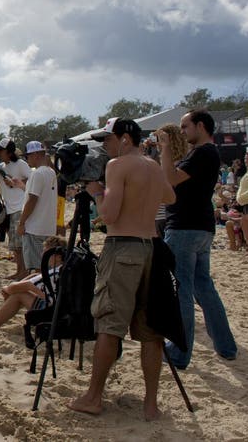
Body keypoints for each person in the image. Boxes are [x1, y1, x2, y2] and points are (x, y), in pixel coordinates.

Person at [69, 117, 176, 421]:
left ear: (125, 138)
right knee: (151, 329)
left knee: (109, 324)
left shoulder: (117, 166)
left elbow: (109, 214)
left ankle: (93, 397)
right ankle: (151, 405)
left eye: (108, 139)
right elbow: (170, 197)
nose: (105, 146)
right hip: (152, 247)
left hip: (123, 246)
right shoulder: (152, 165)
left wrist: (97, 192)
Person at [158, 109, 237, 369]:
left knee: (181, 290)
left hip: (184, 228)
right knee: (204, 288)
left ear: (200, 126)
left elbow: (170, 179)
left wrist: (165, 148)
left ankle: (179, 353)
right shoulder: (207, 153)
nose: (182, 132)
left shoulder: (202, 153)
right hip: (200, 227)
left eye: (185, 126)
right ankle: (226, 346)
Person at [0, 236, 64, 328]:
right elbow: (33, 281)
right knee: (33, 277)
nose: (43, 254)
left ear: (58, 257)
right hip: (63, 308)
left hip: (54, 314)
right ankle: (1, 312)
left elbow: (14, 288)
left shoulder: (53, 274)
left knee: (18, 294)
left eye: (46, 252)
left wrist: (6, 288)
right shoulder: (64, 268)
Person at [17, 141, 58, 274]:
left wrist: (21, 223)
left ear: (35, 154)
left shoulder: (37, 173)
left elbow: (32, 200)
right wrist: (21, 186)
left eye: (27, 156)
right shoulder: (51, 172)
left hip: (34, 228)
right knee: (47, 266)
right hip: (48, 226)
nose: (26, 159)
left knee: (37, 268)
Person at [0, 138, 31, 280]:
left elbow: (32, 179)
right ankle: (19, 271)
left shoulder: (20, 164)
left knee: (20, 244)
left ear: (9, 152)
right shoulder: (1, 166)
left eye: (1, 150)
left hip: (20, 206)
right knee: (15, 245)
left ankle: (23, 272)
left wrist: (15, 182)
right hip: (10, 208)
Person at [153, 123, 189, 238]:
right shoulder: (184, 162)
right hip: (165, 216)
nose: (157, 143)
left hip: (166, 217)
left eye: (160, 140)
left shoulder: (176, 165)